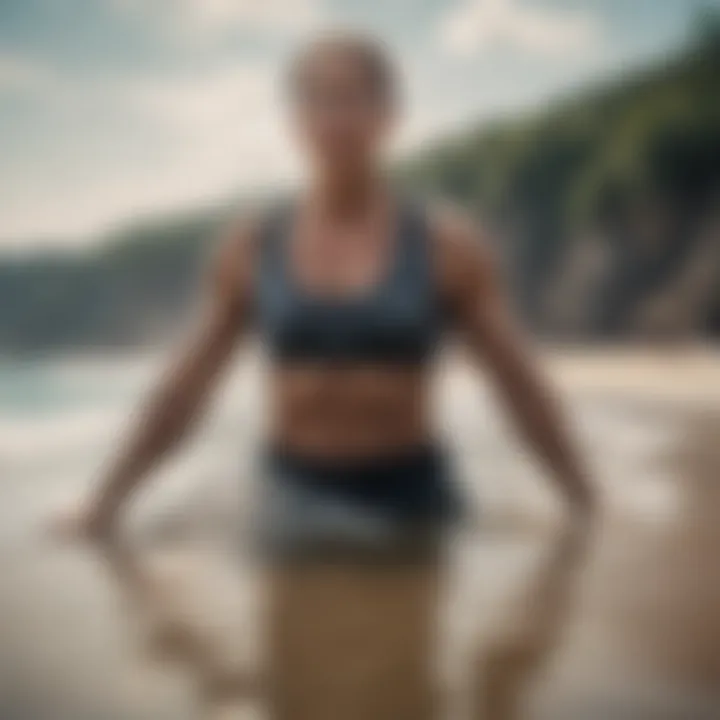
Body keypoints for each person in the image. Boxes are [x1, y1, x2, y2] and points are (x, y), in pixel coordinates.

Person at [59, 32, 594, 720]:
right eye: (319, 101)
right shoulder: (252, 247)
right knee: (299, 687)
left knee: (405, 681)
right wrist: (105, 505)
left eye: (354, 99)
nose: (336, 119)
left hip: (414, 497)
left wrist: (581, 501)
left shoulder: (446, 247)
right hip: (293, 497)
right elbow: (184, 392)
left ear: (388, 116)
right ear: (295, 122)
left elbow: (520, 387)